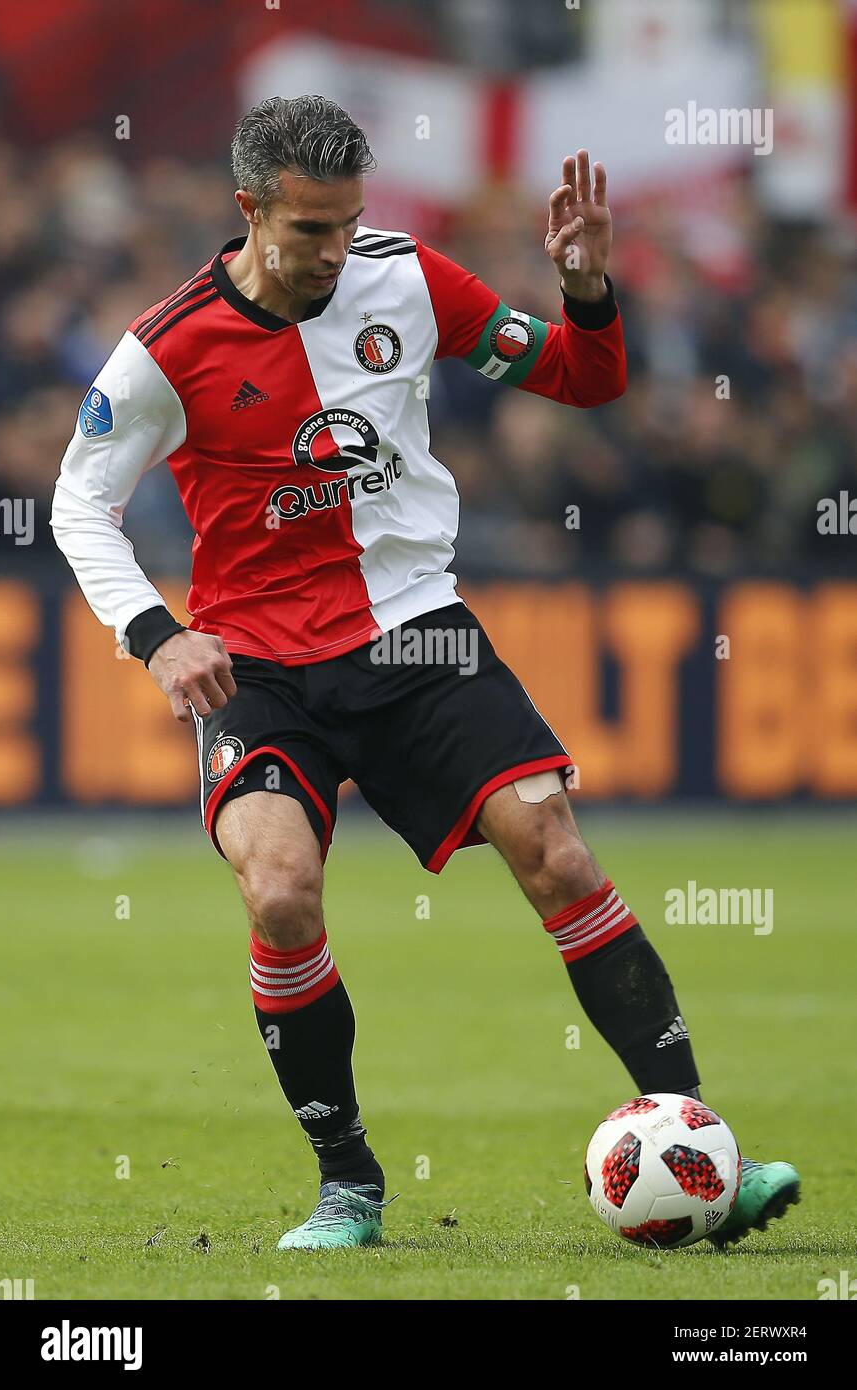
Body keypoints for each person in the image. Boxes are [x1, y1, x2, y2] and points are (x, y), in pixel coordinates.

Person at [52, 95, 798, 1250]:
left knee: (554, 849)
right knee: (280, 890)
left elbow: (580, 380)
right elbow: (78, 505)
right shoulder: (165, 346)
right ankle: (347, 1182)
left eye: (349, 223)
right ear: (249, 211)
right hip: (257, 667)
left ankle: (705, 1144)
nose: (335, 251)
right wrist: (159, 632)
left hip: (415, 635)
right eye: (309, 231)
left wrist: (590, 295)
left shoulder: (408, 279)